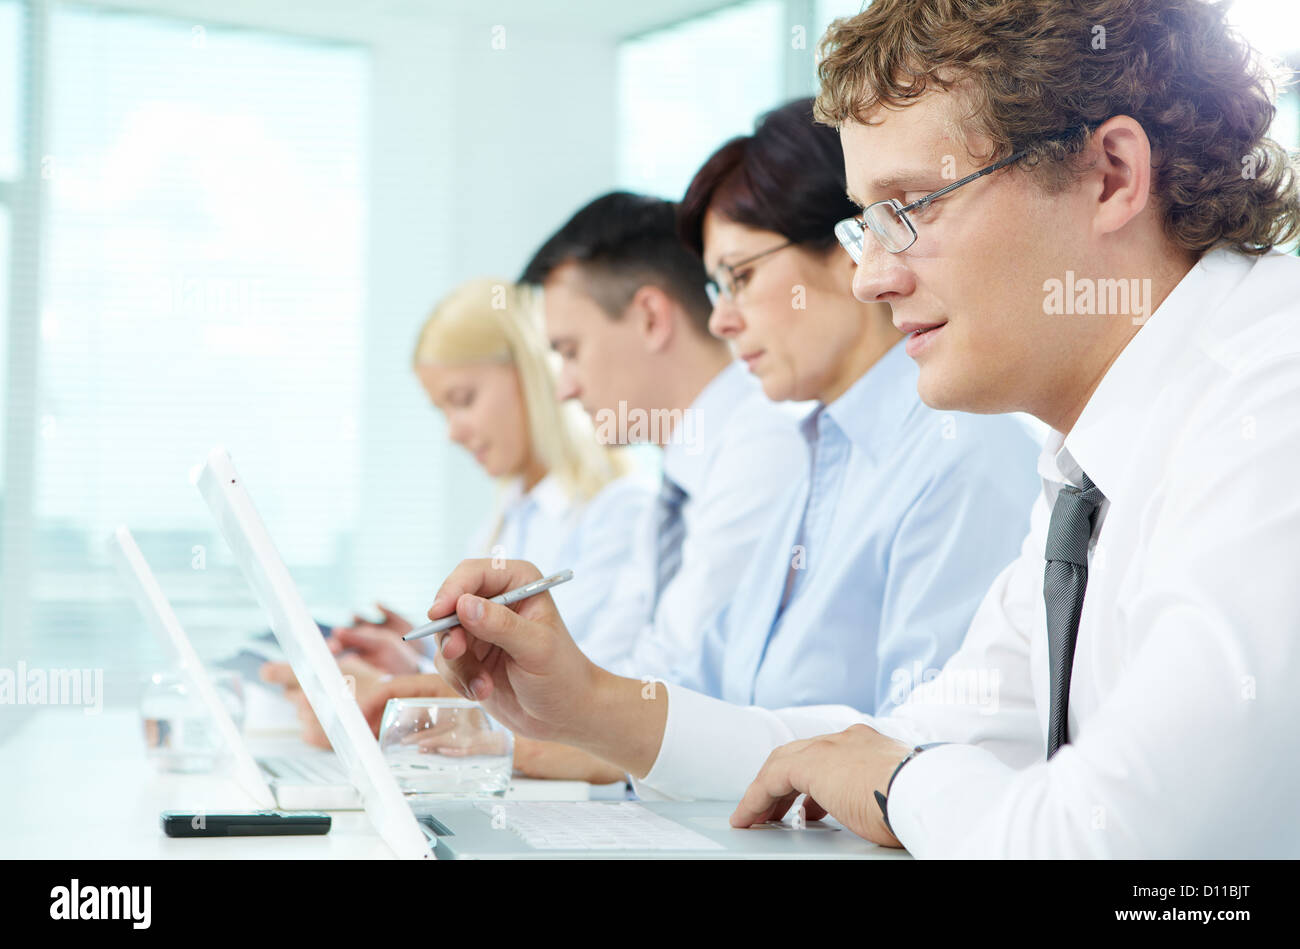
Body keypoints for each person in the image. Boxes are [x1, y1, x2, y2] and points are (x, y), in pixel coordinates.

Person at [423, 0, 1300, 857]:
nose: (870, 278)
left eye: (912, 206)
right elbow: (900, 737)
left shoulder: (1273, 400)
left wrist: (898, 782)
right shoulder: (1084, 464)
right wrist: (584, 702)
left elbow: (1109, 842)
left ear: (1109, 175)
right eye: (863, 224)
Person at [263, 277, 650, 746]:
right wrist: (418, 665)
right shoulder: (502, 521)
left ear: (530, 374)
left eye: (463, 401)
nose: (453, 432)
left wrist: (390, 699)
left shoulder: (620, 513)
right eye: (442, 411)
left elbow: (580, 707)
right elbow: (498, 684)